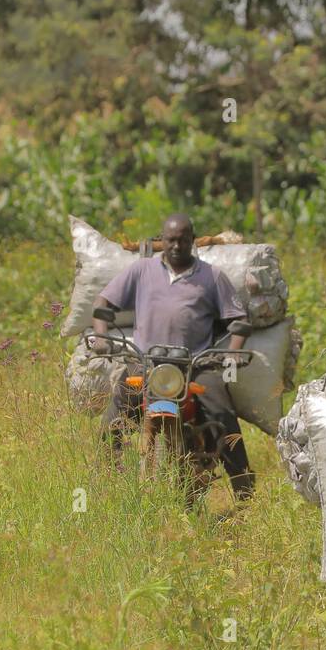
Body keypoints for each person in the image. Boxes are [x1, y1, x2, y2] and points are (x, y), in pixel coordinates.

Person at [93, 212, 254, 498]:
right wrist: (102, 336)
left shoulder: (212, 276)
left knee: (221, 413)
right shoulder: (141, 270)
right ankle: (104, 482)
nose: (177, 246)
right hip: (144, 361)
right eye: (170, 240)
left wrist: (233, 353)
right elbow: (103, 302)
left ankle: (243, 488)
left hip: (196, 364)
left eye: (183, 240)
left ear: (193, 241)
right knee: (114, 416)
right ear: (161, 241)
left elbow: (239, 320)